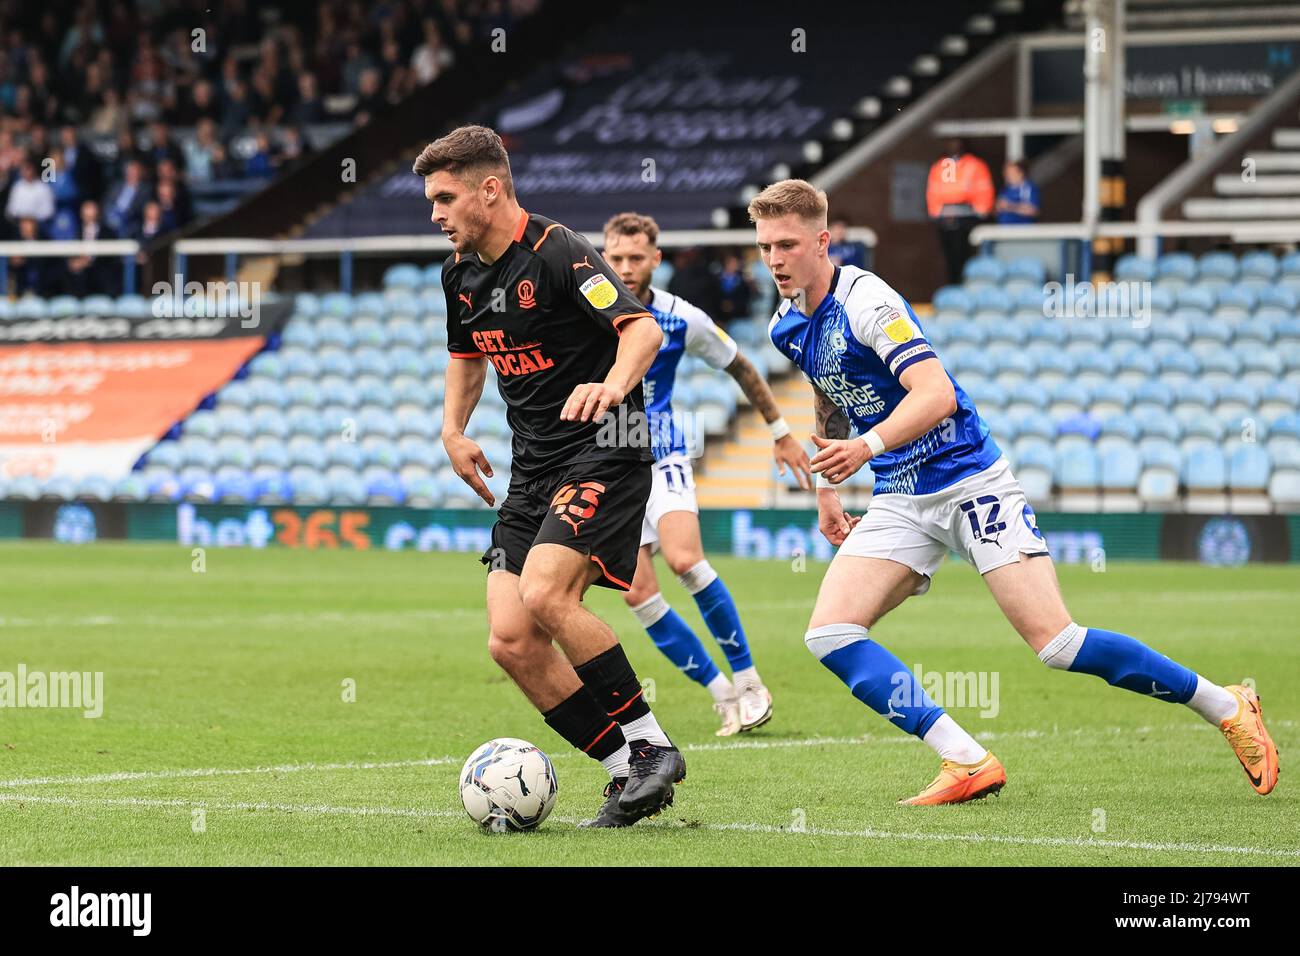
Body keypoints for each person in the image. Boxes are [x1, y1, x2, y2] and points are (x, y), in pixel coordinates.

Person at [749, 177, 1279, 805]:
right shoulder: (786, 325)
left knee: (1058, 644)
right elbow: (826, 384)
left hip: (970, 481)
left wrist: (864, 448)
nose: (774, 260)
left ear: (822, 241)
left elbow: (936, 393)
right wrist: (826, 491)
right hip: (900, 493)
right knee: (830, 633)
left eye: (786, 244)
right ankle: (965, 759)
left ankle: (1226, 704)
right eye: (764, 247)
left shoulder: (868, 301)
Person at [420, 125, 685, 828]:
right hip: (534, 467)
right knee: (509, 638)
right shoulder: (459, 274)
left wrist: (612, 386)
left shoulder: (559, 251)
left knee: (544, 592)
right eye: (431, 200)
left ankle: (654, 747)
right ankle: (626, 771)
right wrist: (453, 430)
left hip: (608, 446)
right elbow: (466, 355)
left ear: (490, 188)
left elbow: (641, 331)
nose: (436, 214)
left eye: (445, 198)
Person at [603, 211, 812, 736]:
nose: (625, 268)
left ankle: (749, 682)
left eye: (636, 258)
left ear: (656, 260)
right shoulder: (585, 312)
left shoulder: (679, 318)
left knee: (685, 561)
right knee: (637, 594)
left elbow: (741, 364)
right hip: (606, 461)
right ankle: (723, 696)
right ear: (604, 258)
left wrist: (782, 431)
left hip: (663, 453)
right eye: (616, 257)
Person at [926, 138, 993, 285]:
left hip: (968, 217)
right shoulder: (939, 166)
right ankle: (954, 286)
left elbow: (984, 190)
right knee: (951, 258)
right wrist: (937, 212)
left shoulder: (974, 165)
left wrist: (981, 210)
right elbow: (934, 191)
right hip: (945, 219)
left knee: (967, 257)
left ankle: (966, 286)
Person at [996, 159, 1040, 224]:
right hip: (1004, 229)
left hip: (1022, 230)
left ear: (1021, 173)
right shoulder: (1005, 189)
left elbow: (1032, 210)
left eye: (1011, 173)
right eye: (1006, 173)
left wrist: (1010, 206)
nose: (1007, 176)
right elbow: (997, 210)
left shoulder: (1027, 188)